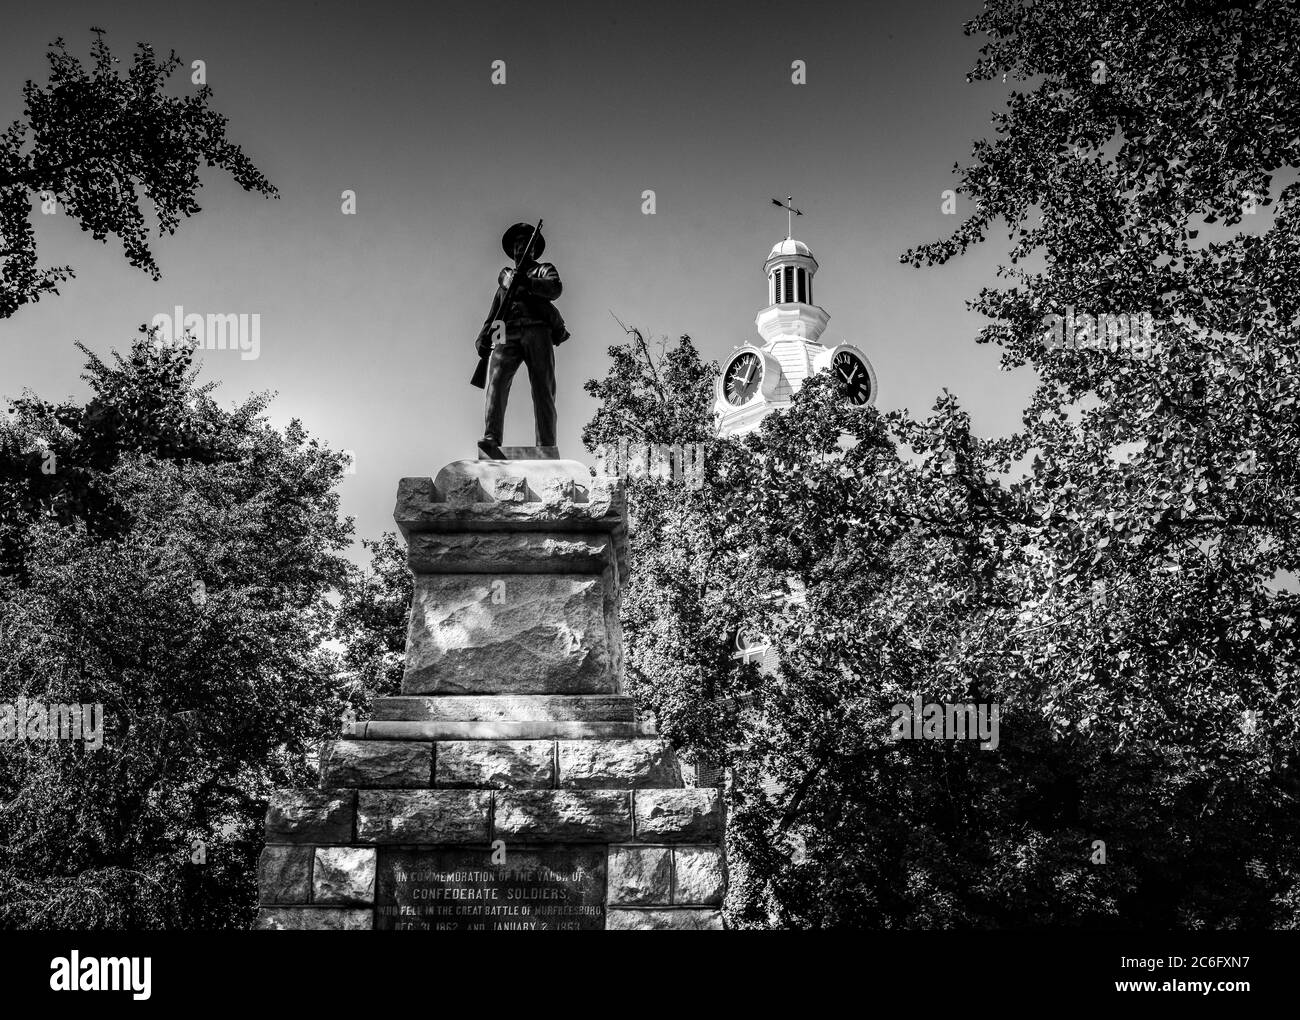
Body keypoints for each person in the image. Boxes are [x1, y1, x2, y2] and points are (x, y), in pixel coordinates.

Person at [474, 222, 569, 457]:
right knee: (496, 384)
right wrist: (483, 339)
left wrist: (526, 283)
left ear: (534, 250)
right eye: (516, 244)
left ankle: (546, 445)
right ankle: (491, 438)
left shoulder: (543, 270)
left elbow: (554, 289)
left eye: (525, 244)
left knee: (543, 389)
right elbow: (496, 314)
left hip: (538, 331)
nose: (520, 248)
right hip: (506, 333)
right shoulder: (504, 284)